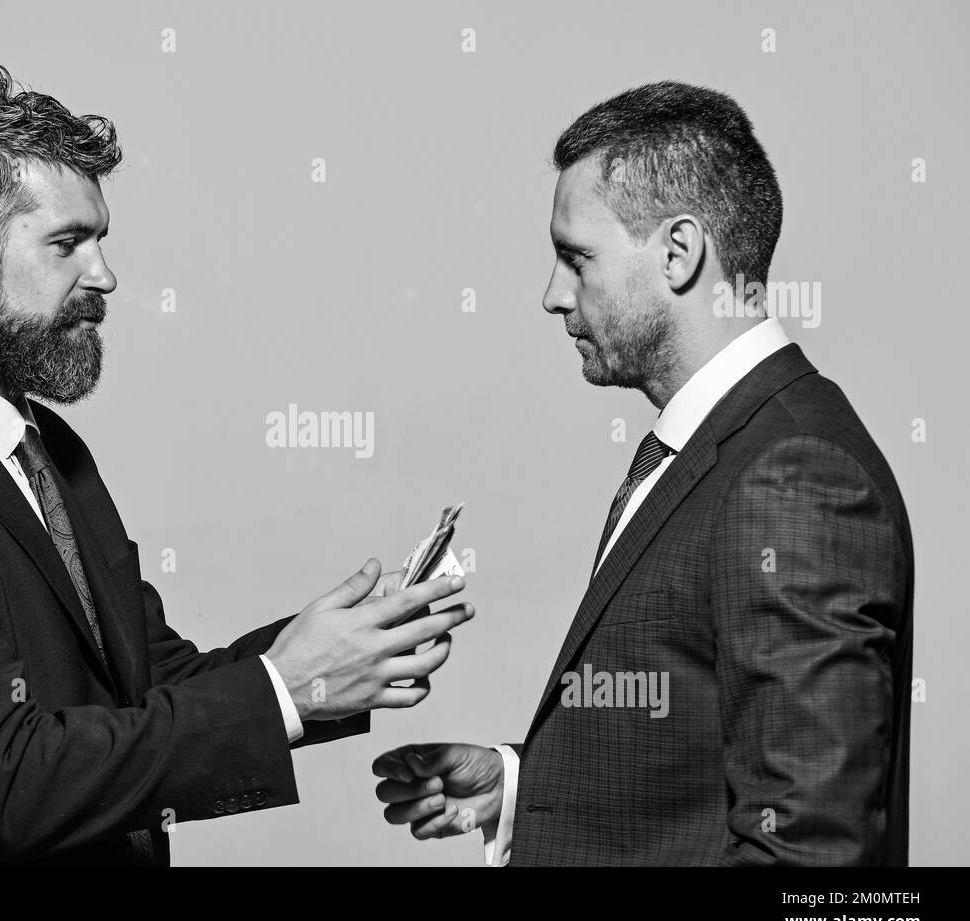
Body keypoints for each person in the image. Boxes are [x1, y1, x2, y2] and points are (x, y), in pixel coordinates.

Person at [0, 66, 473, 866]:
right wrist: (284, 687)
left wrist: (340, 652)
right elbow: (8, 783)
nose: (105, 276)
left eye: (100, 241)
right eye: (69, 242)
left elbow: (146, 684)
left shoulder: (47, 448)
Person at [374, 81, 913, 866]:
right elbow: (697, 753)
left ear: (679, 251)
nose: (553, 296)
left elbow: (809, 854)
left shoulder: (793, 476)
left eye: (575, 257)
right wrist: (527, 787)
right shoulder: (714, 449)